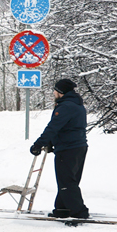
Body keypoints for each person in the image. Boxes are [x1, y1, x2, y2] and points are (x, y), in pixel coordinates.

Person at [30, 78, 89, 219]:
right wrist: (51, 143)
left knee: (67, 182)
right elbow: (68, 127)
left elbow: (53, 127)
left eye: (55, 90)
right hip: (78, 146)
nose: (54, 93)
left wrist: (38, 144)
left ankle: (79, 212)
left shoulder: (66, 106)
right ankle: (63, 209)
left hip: (68, 148)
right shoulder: (76, 104)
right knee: (68, 180)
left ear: (61, 92)